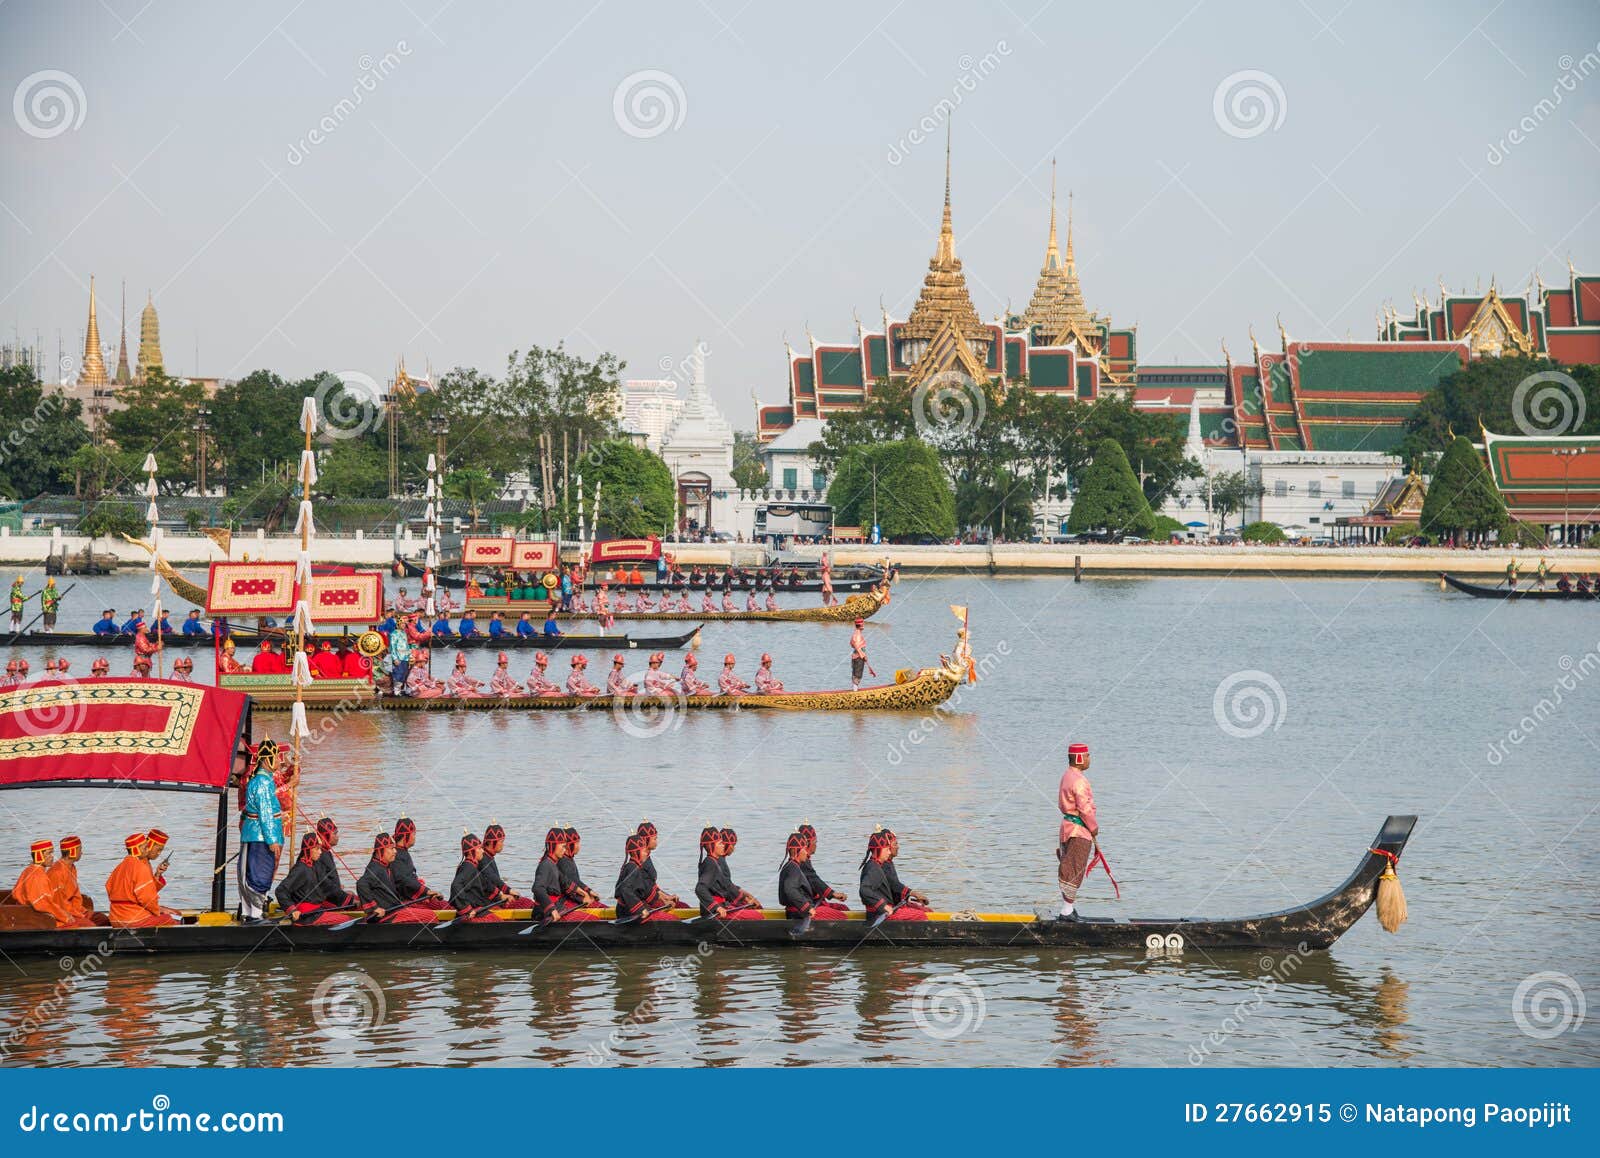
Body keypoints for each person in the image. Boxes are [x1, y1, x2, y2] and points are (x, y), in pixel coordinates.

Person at [237, 738, 287, 922]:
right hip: (260, 835)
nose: (280, 761)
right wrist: (272, 839)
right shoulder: (263, 783)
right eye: (277, 757)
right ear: (267, 760)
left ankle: (249, 913)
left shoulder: (260, 780)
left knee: (250, 872)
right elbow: (265, 813)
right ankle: (255, 915)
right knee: (259, 873)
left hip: (254, 833)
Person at [1056, 742, 1100, 922]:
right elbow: (1085, 809)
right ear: (1080, 758)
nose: (1089, 759)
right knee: (1074, 868)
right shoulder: (1079, 780)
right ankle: (1066, 911)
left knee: (1069, 865)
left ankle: (1068, 908)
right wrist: (1094, 828)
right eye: (1087, 756)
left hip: (1067, 828)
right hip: (1078, 830)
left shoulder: (1067, 775)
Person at [275, 833, 360, 924]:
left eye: (320, 849)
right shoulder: (300, 869)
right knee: (349, 921)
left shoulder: (315, 866)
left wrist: (350, 900)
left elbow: (328, 887)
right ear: (308, 850)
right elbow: (281, 890)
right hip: (306, 916)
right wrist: (292, 909)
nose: (320, 852)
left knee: (353, 914)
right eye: (317, 849)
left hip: (317, 910)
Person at [355, 833, 436, 922]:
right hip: (388, 916)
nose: (395, 851)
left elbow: (402, 881)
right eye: (391, 848)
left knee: (429, 912)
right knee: (430, 916)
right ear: (380, 851)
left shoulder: (385, 866)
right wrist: (374, 908)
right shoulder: (375, 868)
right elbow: (361, 884)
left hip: (395, 909)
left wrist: (425, 892)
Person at [105, 831, 179, 927]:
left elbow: (110, 888)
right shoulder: (140, 866)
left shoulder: (119, 867)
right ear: (137, 850)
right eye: (146, 847)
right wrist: (158, 911)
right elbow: (147, 898)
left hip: (115, 917)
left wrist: (157, 874)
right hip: (132, 918)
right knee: (171, 918)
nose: (148, 850)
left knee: (171, 914)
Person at [11, 839, 86, 927]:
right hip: (39, 919)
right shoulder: (37, 875)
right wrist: (65, 917)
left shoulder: (30, 870)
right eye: (49, 853)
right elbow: (43, 904)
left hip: (40, 916)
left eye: (52, 853)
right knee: (86, 924)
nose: (52, 857)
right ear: (39, 855)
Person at [859, 827, 928, 921]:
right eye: (887, 849)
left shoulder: (876, 865)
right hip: (881, 915)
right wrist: (883, 906)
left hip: (885, 911)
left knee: (925, 911)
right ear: (879, 849)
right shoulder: (873, 868)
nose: (889, 852)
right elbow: (864, 890)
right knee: (921, 915)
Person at [695, 826, 763, 919]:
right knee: (757, 916)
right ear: (711, 846)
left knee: (755, 913)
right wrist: (717, 907)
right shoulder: (710, 864)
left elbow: (726, 886)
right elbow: (700, 888)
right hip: (715, 912)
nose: (723, 845)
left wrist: (744, 898)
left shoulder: (713, 862)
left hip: (720, 907)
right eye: (720, 843)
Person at [779, 833, 847, 921]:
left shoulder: (791, 866)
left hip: (800, 911)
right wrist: (807, 908)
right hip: (800, 913)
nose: (806, 852)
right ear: (797, 851)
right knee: (842, 917)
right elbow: (790, 890)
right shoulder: (793, 869)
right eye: (804, 849)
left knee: (842, 910)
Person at [615, 833, 678, 921]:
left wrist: (666, 898)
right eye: (644, 851)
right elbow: (625, 889)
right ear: (636, 852)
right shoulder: (631, 867)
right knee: (673, 919)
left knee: (671, 916)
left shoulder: (637, 867)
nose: (646, 854)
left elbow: (645, 890)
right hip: (628, 912)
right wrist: (640, 909)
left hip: (635, 909)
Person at [480, 824, 538, 908]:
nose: (503, 845)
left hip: (495, 896)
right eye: (501, 841)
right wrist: (507, 891)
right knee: (527, 904)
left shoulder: (488, 856)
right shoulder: (483, 859)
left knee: (526, 902)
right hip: (487, 901)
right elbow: (492, 879)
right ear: (492, 842)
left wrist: (506, 892)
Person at [795, 823, 848, 915]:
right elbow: (813, 880)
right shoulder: (800, 862)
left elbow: (813, 880)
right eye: (815, 842)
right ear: (808, 843)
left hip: (813, 902)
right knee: (842, 915)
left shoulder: (804, 860)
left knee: (843, 909)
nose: (816, 845)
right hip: (806, 908)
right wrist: (833, 894)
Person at [634, 820, 686, 909]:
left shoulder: (647, 857)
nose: (656, 842)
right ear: (646, 840)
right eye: (654, 839)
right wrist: (664, 901)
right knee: (676, 908)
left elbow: (652, 886)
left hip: (651, 897)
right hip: (643, 902)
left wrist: (667, 897)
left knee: (683, 906)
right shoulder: (638, 862)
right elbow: (645, 891)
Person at [48, 834, 99, 924]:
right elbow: (60, 903)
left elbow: (76, 897)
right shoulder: (57, 872)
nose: (81, 853)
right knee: (89, 924)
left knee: (102, 919)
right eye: (80, 850)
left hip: (75, 911)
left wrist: (83, 912)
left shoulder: (72, 867)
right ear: (72, 851)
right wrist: (79, 915)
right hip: (62, 916)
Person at [558, 827, 603, 912]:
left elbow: (574, 881)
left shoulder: (568, 859)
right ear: (569, 845)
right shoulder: (563, 861)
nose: (579, 846)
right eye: (577, 843)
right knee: (597, 911)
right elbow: (570, 883)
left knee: (600, 906)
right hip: (565, 901)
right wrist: (584, 897)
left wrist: (588, 891)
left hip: (573, 896)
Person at [849, 617, 869, 690]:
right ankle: (855, 690)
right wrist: (863, 656)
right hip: (858, 657)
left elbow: (851, 643)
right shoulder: (858, 635)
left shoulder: (855, 633)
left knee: (855, 672)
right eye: (863, 624)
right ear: (860, 625)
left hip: (856, 656)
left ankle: (855, 689)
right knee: (858, 673)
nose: (863, 625)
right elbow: (857, 647)